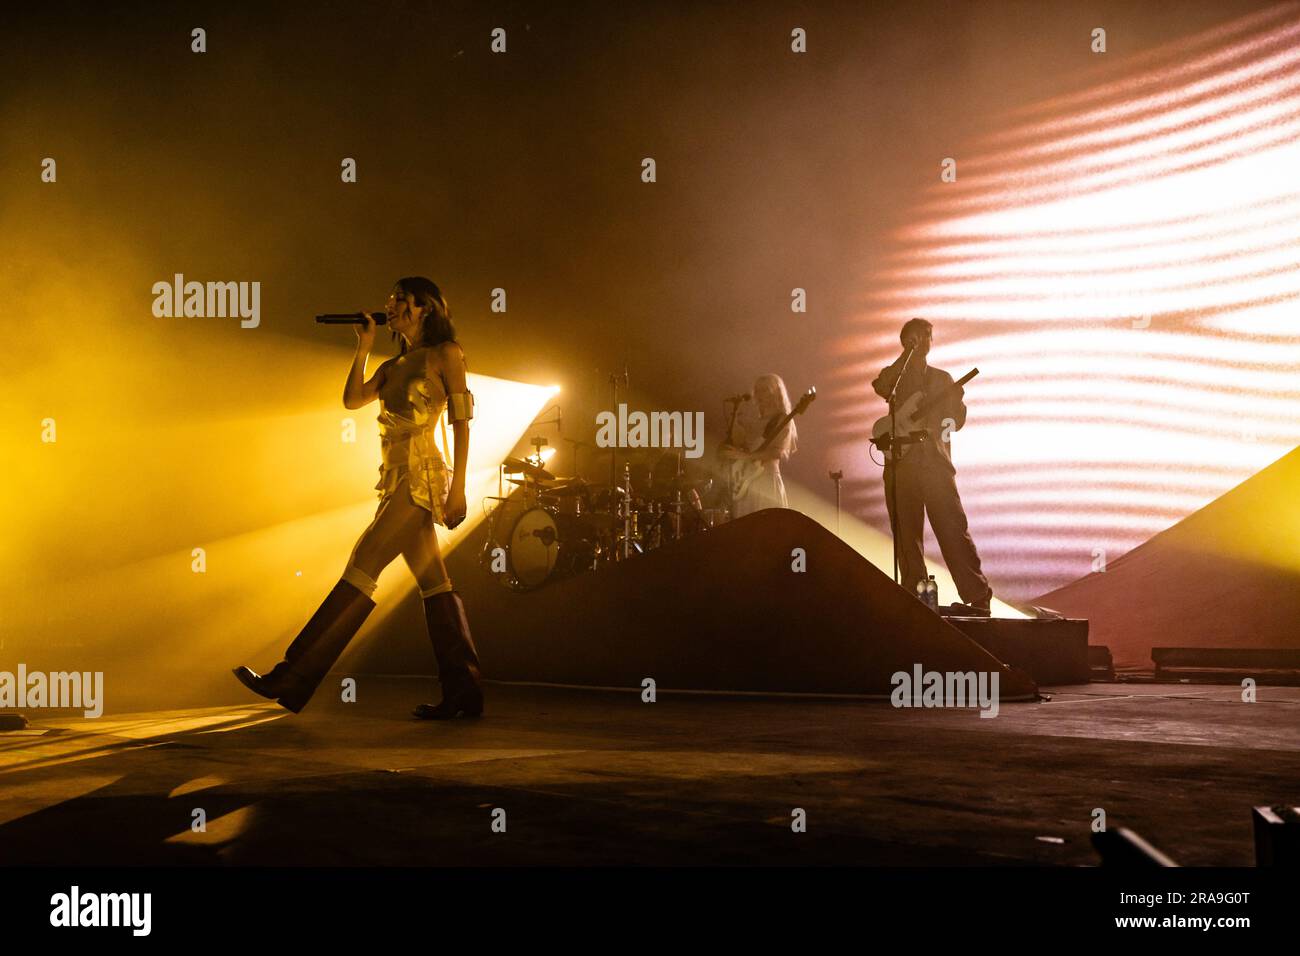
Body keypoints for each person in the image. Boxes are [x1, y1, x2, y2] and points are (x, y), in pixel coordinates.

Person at [232, 277, 484, 718]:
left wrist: (459, 486)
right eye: (390, 301)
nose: (391, 306)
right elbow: (352, 400)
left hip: (422, 475)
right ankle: (464, 692)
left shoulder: (446, 354)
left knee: (363, 561)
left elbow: (463, 421)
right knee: (435, 583)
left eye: (401, 300)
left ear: (425, 308)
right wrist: (364, 346)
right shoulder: (394, 365)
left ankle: (293, 674)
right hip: (394, 477)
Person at [872, 318, 992, 610]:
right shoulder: (895, 377)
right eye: (919, 336)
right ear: (906, 340)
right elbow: (882, 386)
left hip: (935, 465)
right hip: (901, 466)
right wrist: (905, 356)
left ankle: (978, 598)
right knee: (906, 537)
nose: (926, 340)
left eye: (929, 336)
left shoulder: (943, 379)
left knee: (952, 528)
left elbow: (957, 422)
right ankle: (916, 598)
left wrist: (953, 406)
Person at [721, 373, 798, 518]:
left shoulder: (782, 419)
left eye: (764, 390)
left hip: (767, 481)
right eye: (757, 390)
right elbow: (739, 443)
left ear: (775, 393)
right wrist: (735, 417)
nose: (759, 394)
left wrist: (745, 456)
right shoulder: (755, 422)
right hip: (746, 484)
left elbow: (778, 452)